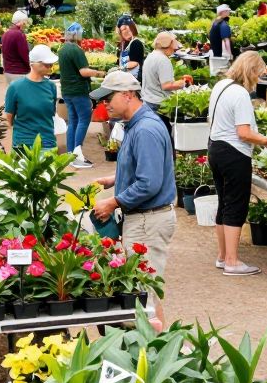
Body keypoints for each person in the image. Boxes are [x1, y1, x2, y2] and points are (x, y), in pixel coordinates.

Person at [91, 71, 176, 326]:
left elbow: (149, 183)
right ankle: (164, 346)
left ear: (127, 95)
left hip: (148, 220)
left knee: (141, 296)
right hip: (144, 218)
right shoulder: (136, 125)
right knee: (147, 289)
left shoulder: (145, 129)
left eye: (109, 97)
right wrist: (116, 178)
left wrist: (112, 202)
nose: (104, 104)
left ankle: (151, 357)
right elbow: (145, 169)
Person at [207, 51, 267, 277]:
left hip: (215, 148)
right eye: (258, 74)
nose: (258, 79)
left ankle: (222, 256)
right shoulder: (239, 94)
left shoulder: (221, 86)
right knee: (236, 206)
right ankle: (232, 261)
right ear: (251, 72)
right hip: (234, 154)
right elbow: (244, 133)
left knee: (224, 203)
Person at [58, 23, 106, 167]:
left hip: (67, 90)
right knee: (84, 120)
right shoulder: (76, 50)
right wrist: (99, 73)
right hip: (78, 90)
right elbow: (83, 71)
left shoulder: (63, 48)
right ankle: (78, 155)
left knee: (72, 121)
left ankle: (70, 153)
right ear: (77, 35)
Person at [4, 44, 59, 150]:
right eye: (47, 64)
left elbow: (51, 112)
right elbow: (9, 116)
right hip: (23, 141)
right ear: (34, 64)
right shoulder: (15, 87)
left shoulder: (51, 86)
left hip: (47, 140)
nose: (50, 67)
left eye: (51, 64)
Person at [141, 31, 191, 120]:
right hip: (158, 105)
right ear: (168, 45)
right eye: (173, 47)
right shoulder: (163, 60)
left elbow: (157, 79)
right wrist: (182, 83)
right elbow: (166, 85)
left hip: (148, 101)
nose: (174, 50)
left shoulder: (151, 56)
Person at [1, 11, 31, 84]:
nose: (26, 24)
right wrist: (31, 66)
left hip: (8, 69)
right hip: (19, 71)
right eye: (25, 22)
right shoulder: (19, 34)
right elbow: (24, 54)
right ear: (21, 22)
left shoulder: (6, 33)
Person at [115, 14, 145, 83]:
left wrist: (120, 69)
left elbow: (134, 63)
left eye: (128, 28)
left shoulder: (136, 43)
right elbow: (120, 61)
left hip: (134, 80)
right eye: (123, 29)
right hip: (125, 79)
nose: (126, 31)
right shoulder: (123, 44)